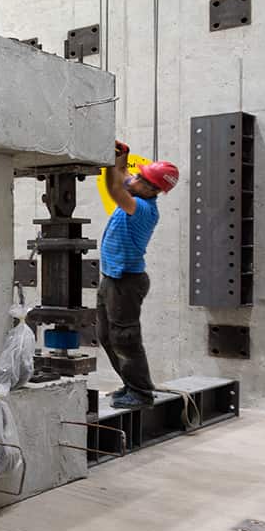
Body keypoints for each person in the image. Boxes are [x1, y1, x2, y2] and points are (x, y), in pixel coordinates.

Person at [98, 143, 179, 409]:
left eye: (143, 179)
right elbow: (122, 177)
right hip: (112, 278)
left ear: (154, 190)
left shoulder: (142, 209)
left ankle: (141, 393)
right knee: (106, 335)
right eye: (138, 174)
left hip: (126, 282)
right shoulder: (136, 193)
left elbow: (113, 188)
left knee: (125, 338)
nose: (135, 179)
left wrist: (108, 164)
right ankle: (130, 384)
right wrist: (122, 156)